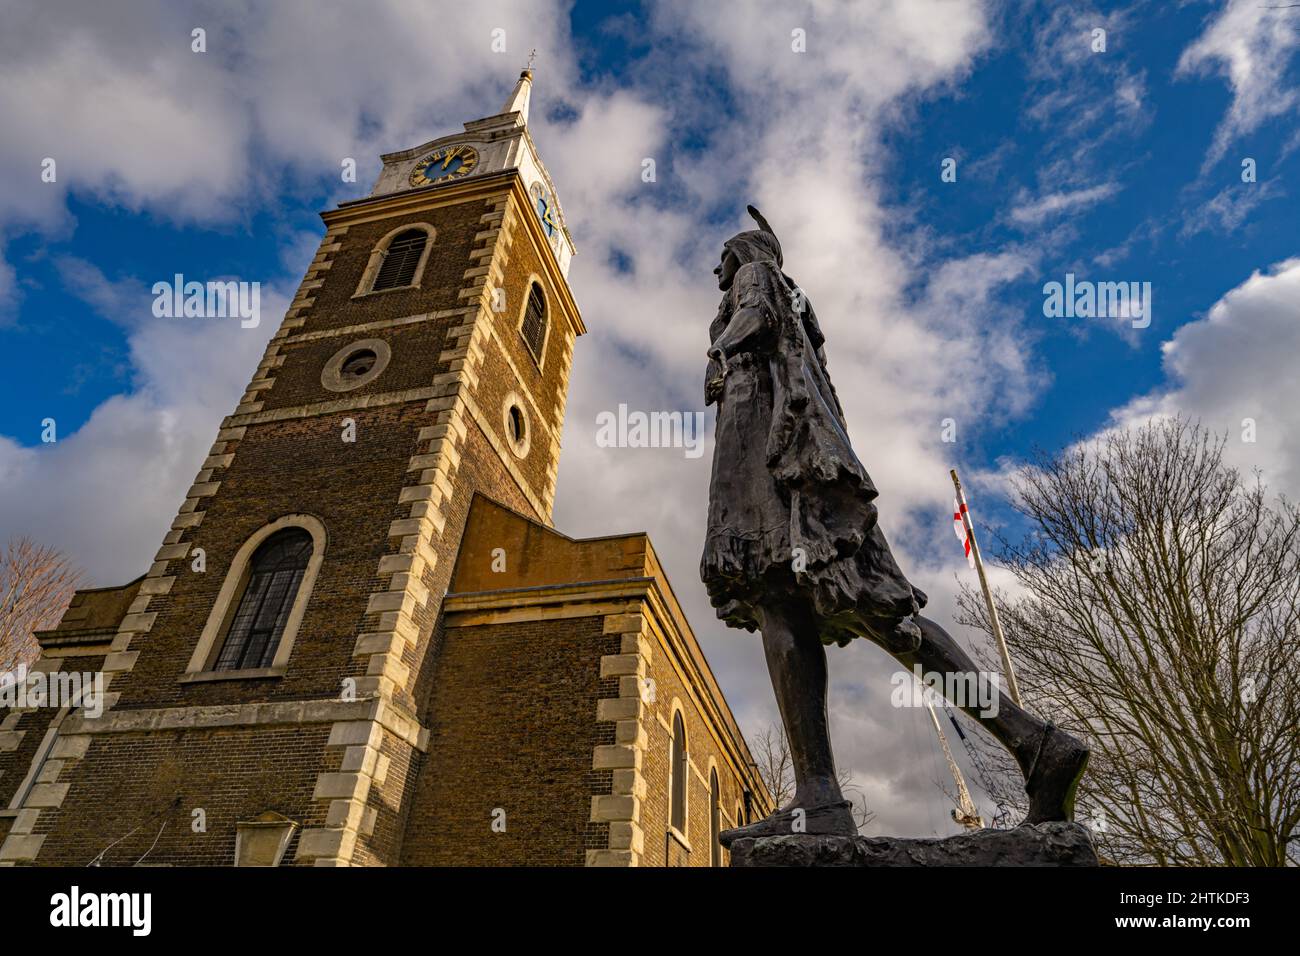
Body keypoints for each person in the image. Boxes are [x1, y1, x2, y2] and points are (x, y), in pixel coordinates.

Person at [701, 207, 1089, 845]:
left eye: (724, 254)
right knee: (819, 610)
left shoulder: (757, 276)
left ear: (744, 252)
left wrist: (721, 345)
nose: (717, 267)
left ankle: (1024, 744)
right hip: (782, 469)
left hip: (778, 477)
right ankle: (1019, 747)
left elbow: (757, 318)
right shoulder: (776, 293)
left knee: (854, 609)